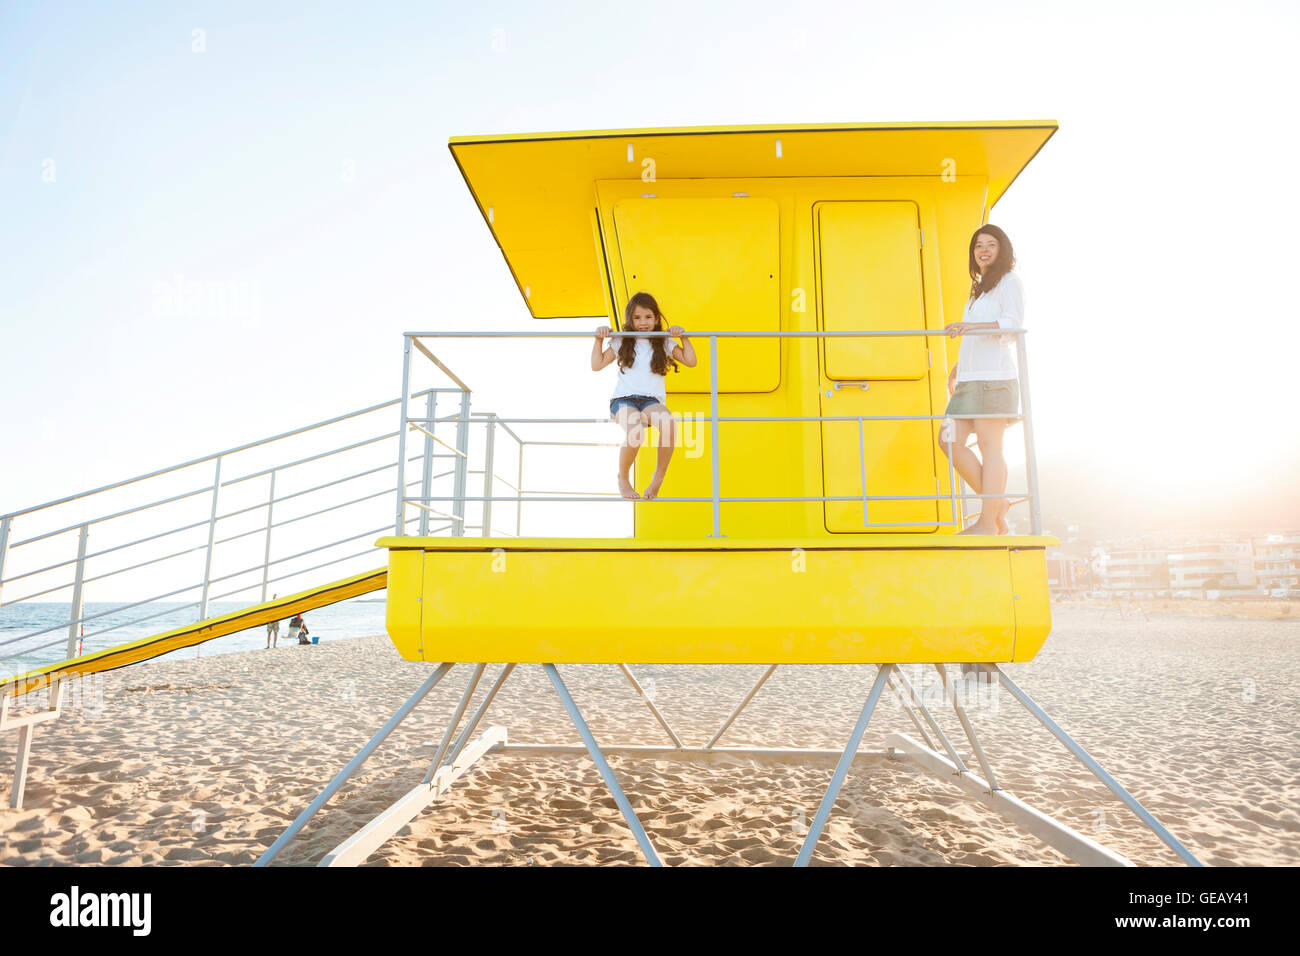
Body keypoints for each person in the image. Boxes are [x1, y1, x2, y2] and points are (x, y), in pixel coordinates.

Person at [938, 224, 1025, 536]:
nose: (983, 250)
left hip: (995, 378)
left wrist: (968, 327)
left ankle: (987, 523)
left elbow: (1012, 325)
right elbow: (975, 333)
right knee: (948, 440)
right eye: (978, 245)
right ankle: (996, 504)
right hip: (971, 378)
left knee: (990, 448)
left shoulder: (1009, 282)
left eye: (991, 244)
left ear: (1002, 249)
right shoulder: (981, 287)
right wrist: (959, 366)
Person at [592, 291, 697, 500]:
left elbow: (690, 360)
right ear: (630, 320)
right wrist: (598, 339)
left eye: (648, 317)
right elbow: (597, 365)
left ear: (656, 319)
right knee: (636, 432)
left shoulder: (663, 342)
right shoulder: (623, 341)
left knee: (668, 424)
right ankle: (623, 477)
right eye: (637, 318)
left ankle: (658, 476)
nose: (643, 323)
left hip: (650, 401)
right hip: (624, 399)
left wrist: (683, 337)